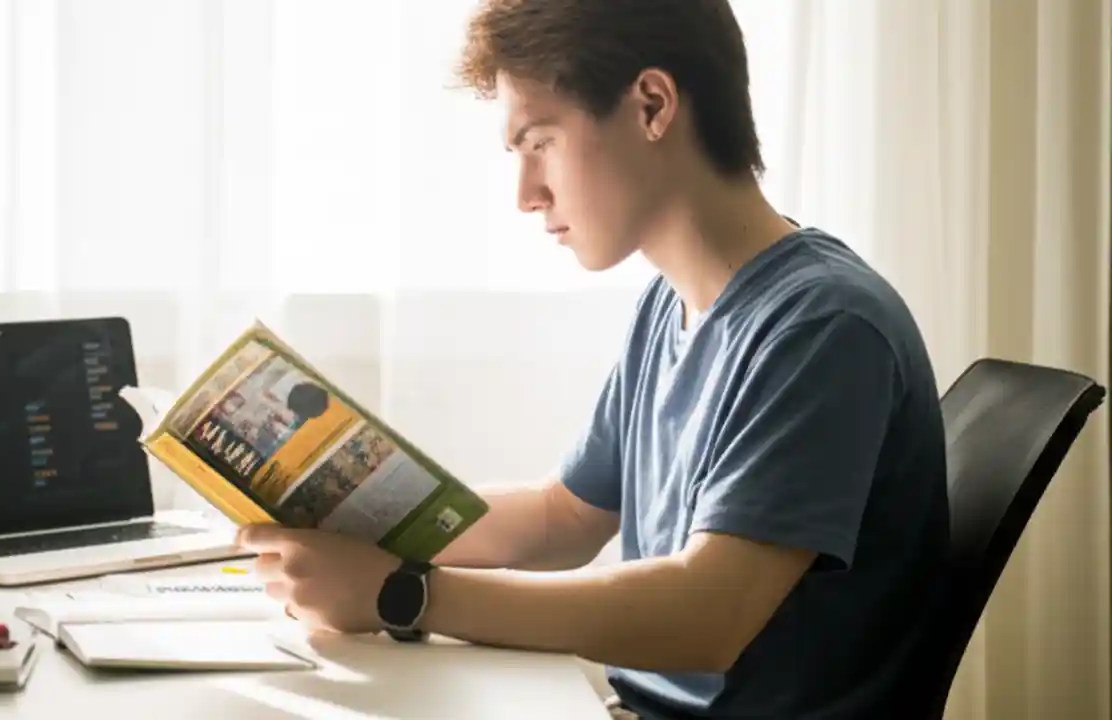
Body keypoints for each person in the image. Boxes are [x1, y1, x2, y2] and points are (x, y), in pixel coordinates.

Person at [234, 1, 950, 717]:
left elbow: (710, 613)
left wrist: (400, 594)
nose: (525, 195)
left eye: (540, 141)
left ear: (651, 104)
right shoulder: (670, 306)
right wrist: (352, 518)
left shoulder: (822, 326)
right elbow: (561, 517)